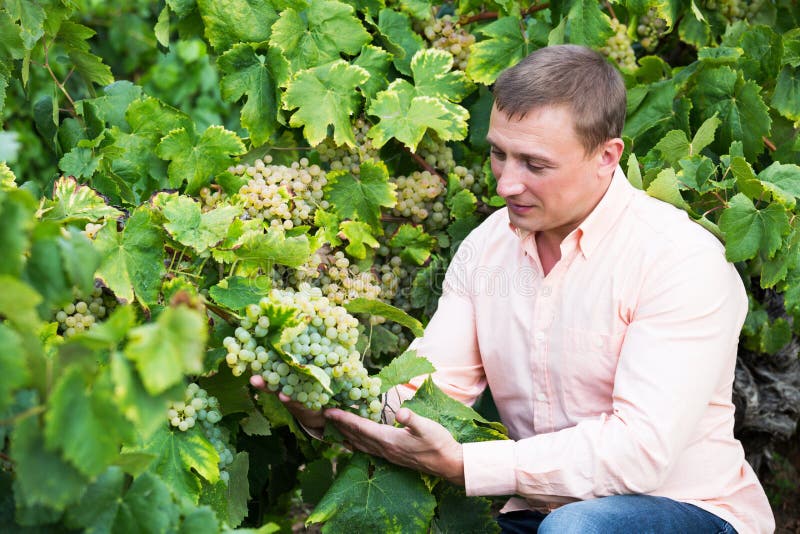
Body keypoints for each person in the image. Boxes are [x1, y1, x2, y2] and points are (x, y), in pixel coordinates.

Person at [254, 44, 775, 533]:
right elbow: (427, 388)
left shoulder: (679, 260)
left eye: (535, 164)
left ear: (606, 157)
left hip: (687, 510)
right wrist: (331, 408)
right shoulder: (488, 247)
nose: (505, 184)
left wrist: (467, 466)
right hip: (539, 510)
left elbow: (638, 454)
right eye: (499, 154)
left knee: (577, 527)